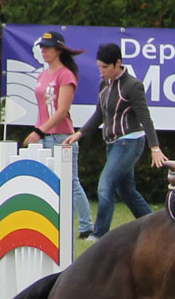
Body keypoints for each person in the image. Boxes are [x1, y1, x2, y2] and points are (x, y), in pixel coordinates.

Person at [66, 43, 168, 237]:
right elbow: (99, 114)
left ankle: (99, 235)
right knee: (127, 191)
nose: (101, 71)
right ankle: (156, 228)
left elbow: (145, 117)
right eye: (99, 67)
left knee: (105, 186)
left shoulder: (133, 85)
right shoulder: (104, 84)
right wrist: (80, 133)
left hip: (129, 142)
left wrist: (155, 147)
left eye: (105, 67)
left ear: (118, 63)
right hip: (112, 144)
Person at [22, 31, 94, 239]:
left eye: (48, 47)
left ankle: (86, 226)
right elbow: (43, 109)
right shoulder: (43, 74)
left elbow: (62, 110)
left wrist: (38, 131)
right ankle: (49, 223)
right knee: (45, 181)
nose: (44, 51)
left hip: (62, 137)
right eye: (42, 47)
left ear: (59, 50)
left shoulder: (66, 75)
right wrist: (39, 132)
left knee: (71, 182)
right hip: (44, 136)